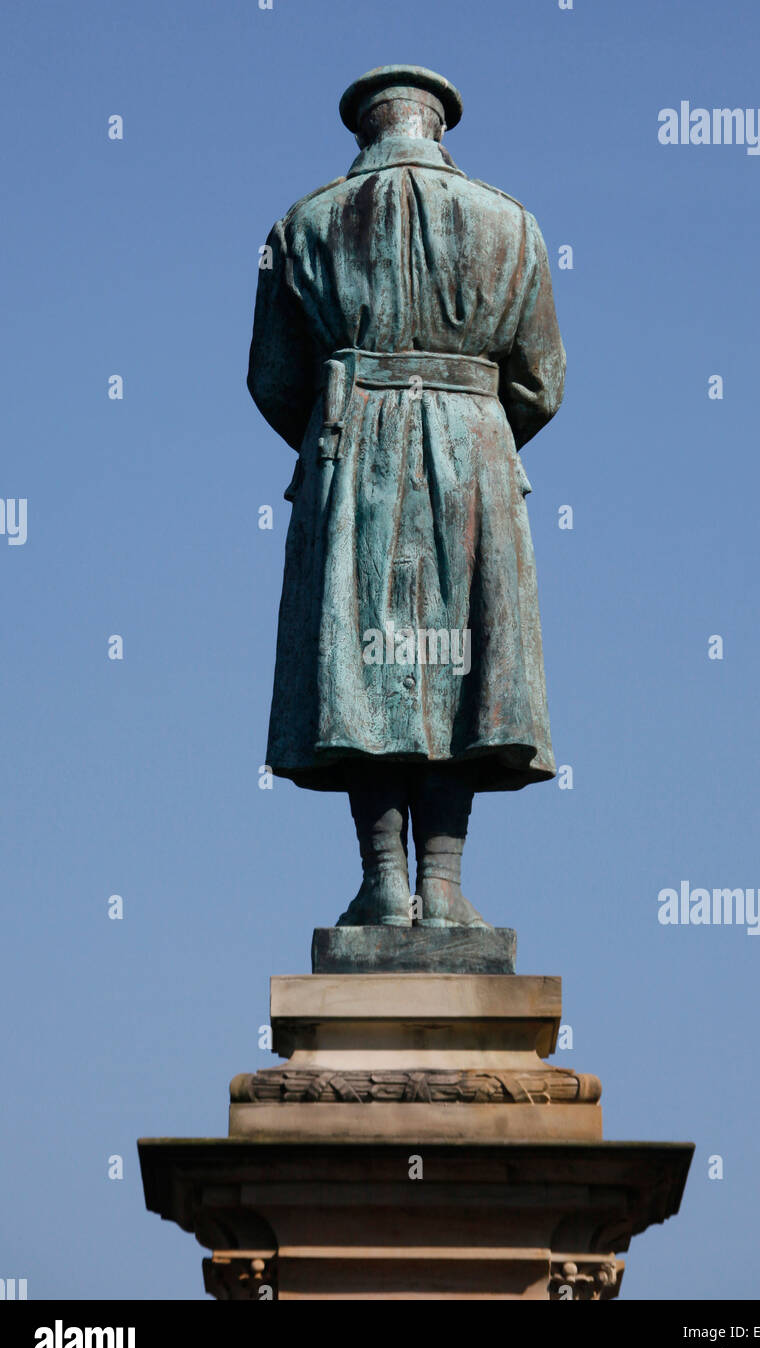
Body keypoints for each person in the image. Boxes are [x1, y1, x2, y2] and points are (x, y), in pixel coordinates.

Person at [247, 65, 565, 929]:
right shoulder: (514, 223)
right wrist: (476, 436)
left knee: (365, 668)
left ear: (364, 130)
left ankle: (385, 882)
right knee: (461, 670)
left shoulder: (302, 224)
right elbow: (541, 382)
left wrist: (343, 443)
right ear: (440, 126)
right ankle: (448, 886)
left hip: (351, 452)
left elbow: (273, 381)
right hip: (476, 456)